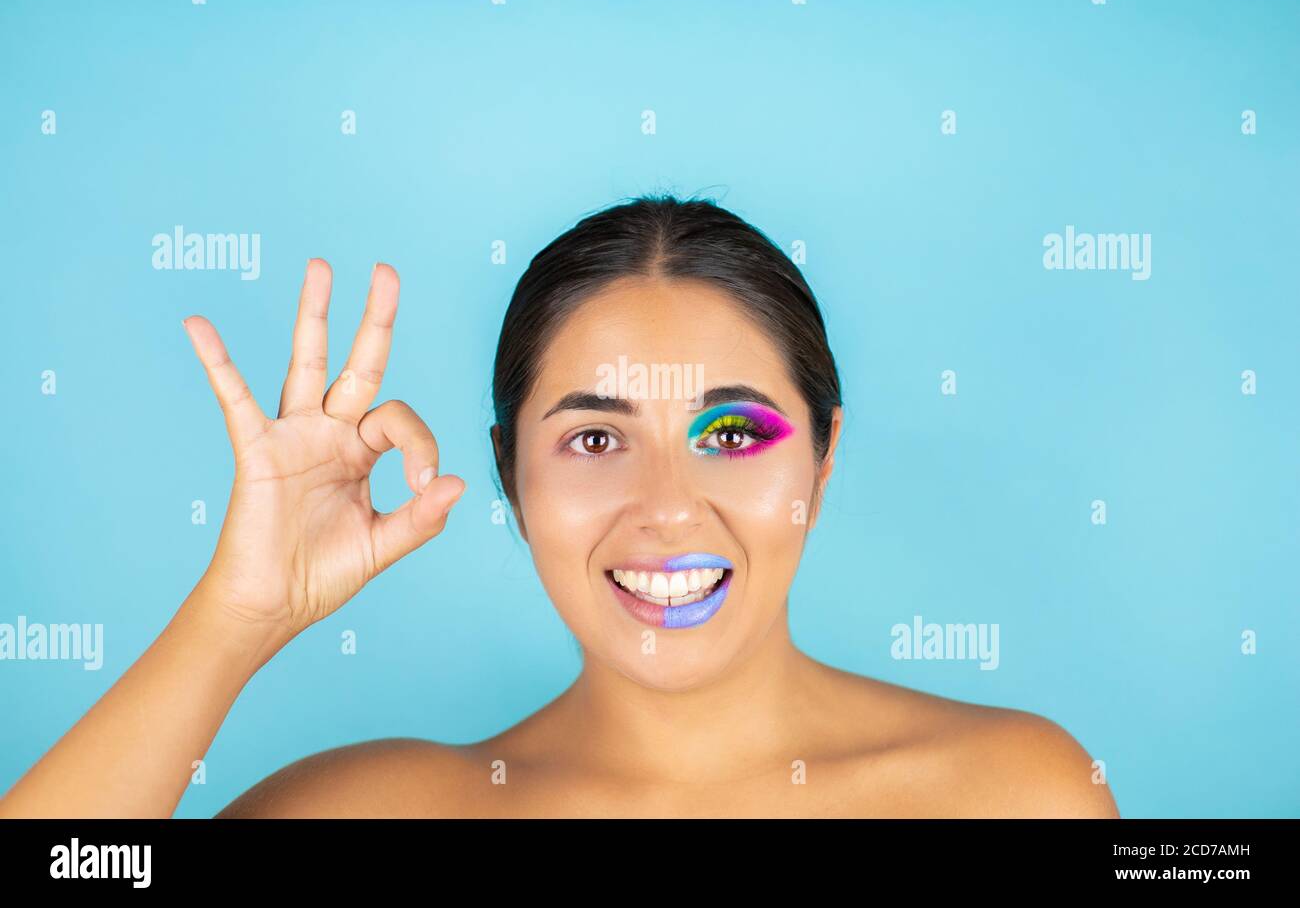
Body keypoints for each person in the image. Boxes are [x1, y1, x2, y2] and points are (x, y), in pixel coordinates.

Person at [0, 195, 1120, 817]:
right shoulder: (372, 810)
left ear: (822, 461)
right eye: (594, 437)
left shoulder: (1013, 791)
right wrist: (235, 614)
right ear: (509, 476)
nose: (665, 508)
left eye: (731, 434)